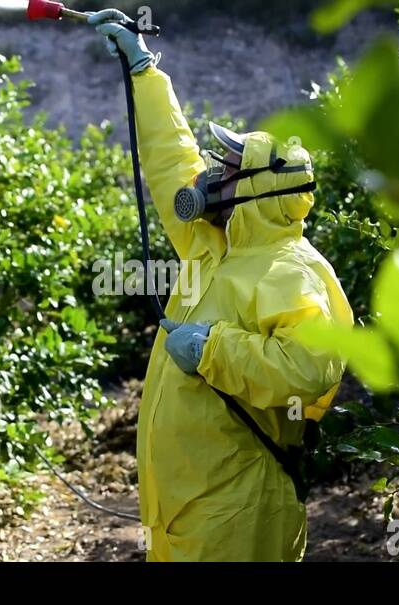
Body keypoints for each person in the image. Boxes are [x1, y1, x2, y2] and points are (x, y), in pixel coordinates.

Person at [89, 9, 353, 562]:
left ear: (258, 191)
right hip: (187, 508)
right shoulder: (212, 245)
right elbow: (170, 160)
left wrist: (211, 349)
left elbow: (308, 370)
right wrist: (144, 71)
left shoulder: (290, 270)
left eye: (226, 168)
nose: (208, 176)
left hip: (240, 509)